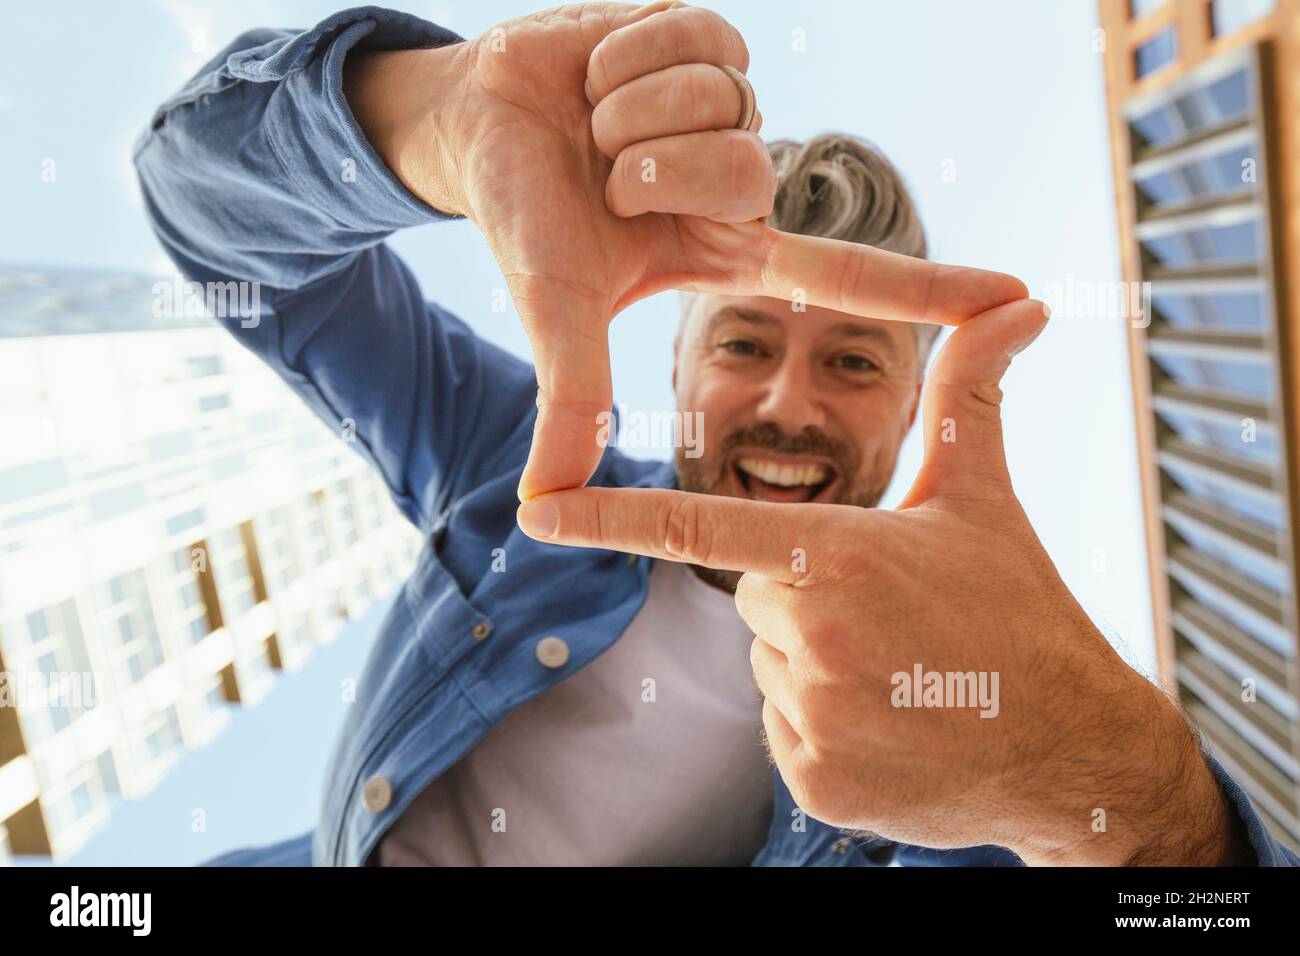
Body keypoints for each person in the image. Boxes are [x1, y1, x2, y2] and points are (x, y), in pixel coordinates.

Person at [134, 2, 1295, 866]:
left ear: (910, 404)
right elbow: (214, 229)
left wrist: (1131, 792)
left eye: (851, 361)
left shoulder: (952, 738)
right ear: (677, 362)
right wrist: (433, 117)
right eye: (743, 344)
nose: (789, 404)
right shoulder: (512, 467)